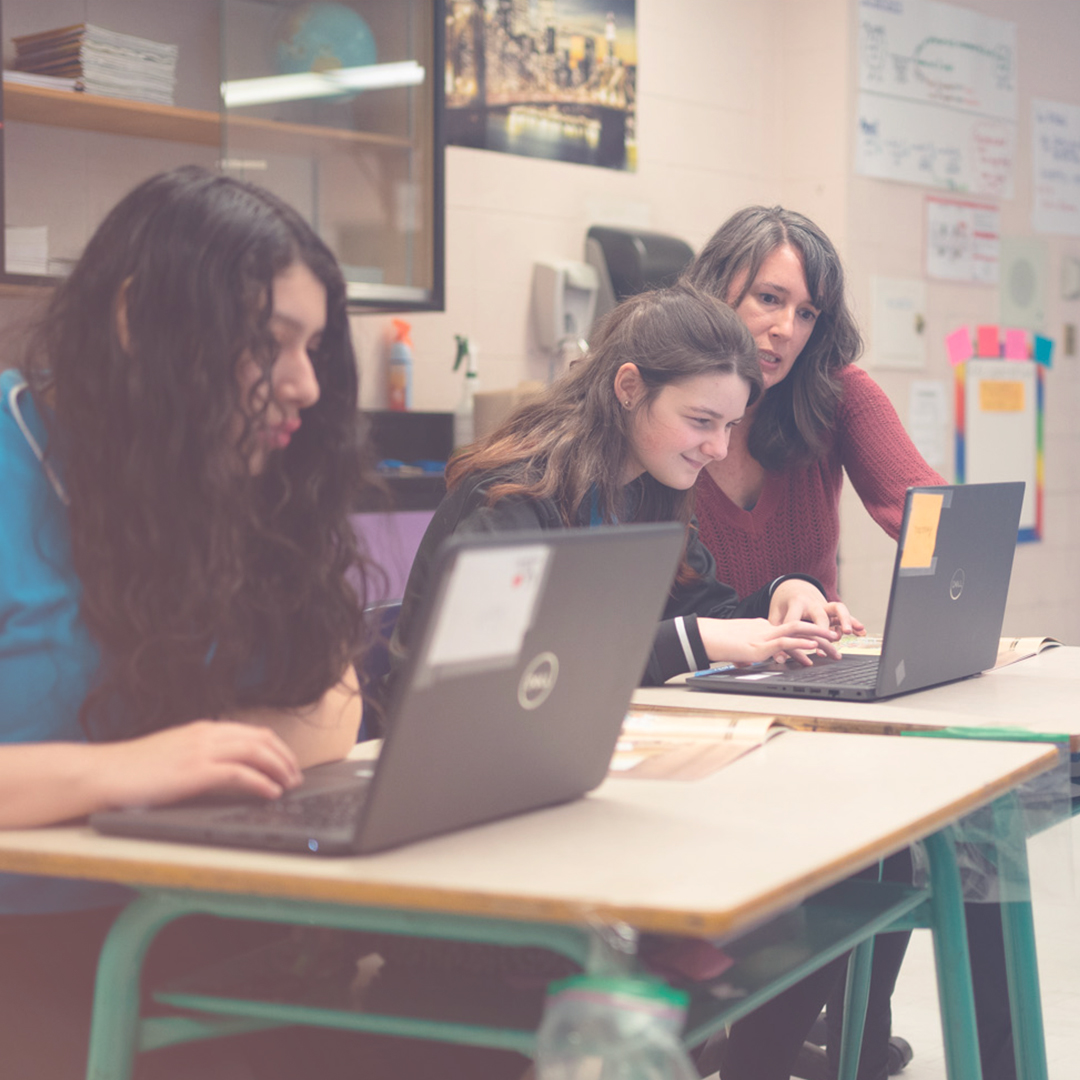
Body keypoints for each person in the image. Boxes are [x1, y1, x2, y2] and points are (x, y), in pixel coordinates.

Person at [0, 165, 525, 1080]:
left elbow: (333, 701)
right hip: (37, 947)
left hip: (209, 920)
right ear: (135, 321)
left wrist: (218, 746)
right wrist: (128, 770)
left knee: (500, 1023)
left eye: (313, 347)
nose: (306, 386)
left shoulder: (236, 469)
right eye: (270, 343)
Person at [682, 205, 1009, 1080]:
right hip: (690, 698)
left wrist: (951, 588)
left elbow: (932, 517)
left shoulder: (835, 395)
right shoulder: (671, 409)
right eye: (767, 298)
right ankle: (822, 1043)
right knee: (876, 844)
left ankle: (840, 1044)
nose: (785, 328)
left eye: (807, 311)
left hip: (806, 695)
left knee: (944, 832)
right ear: (719, 289)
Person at [391, 282, 858, 698]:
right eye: (701, 421)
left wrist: (786, 592)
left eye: (730, 425)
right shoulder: (516, 493)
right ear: (630, 387)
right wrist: (694, 641)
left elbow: (708, 612)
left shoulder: (649, 489)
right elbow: (503, 669)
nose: (718, 449)